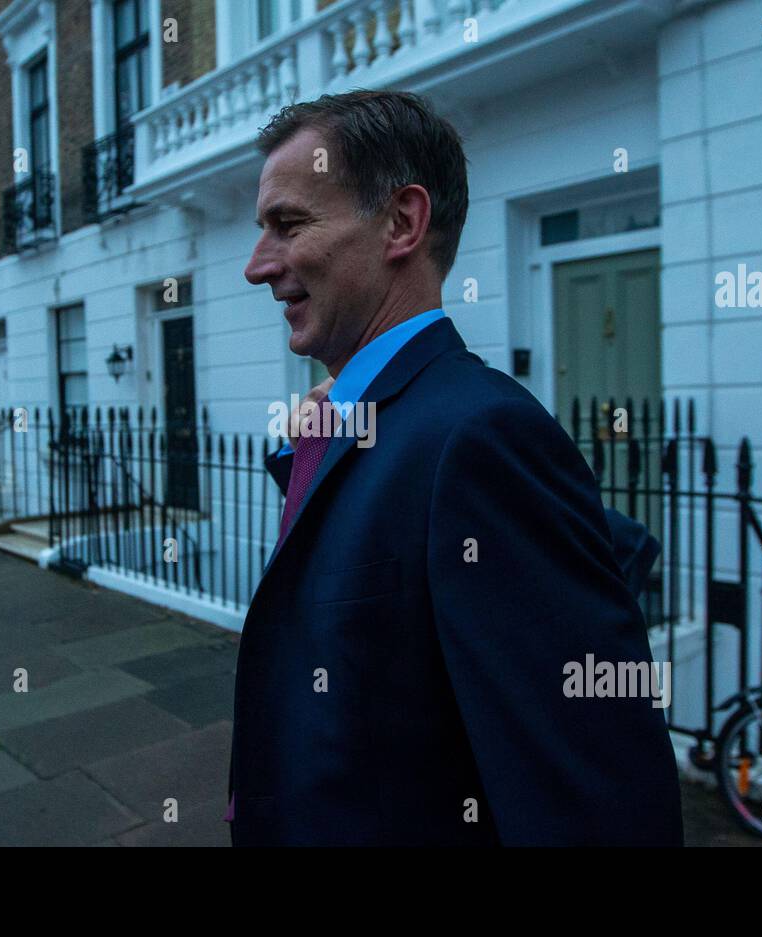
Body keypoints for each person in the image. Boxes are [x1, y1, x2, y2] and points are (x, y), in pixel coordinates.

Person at [227, 90, 683, 846]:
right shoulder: (363, 417)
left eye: (289, 224)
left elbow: (596, 802)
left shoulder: (481, 437)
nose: (256, 265)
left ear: (402, 223)